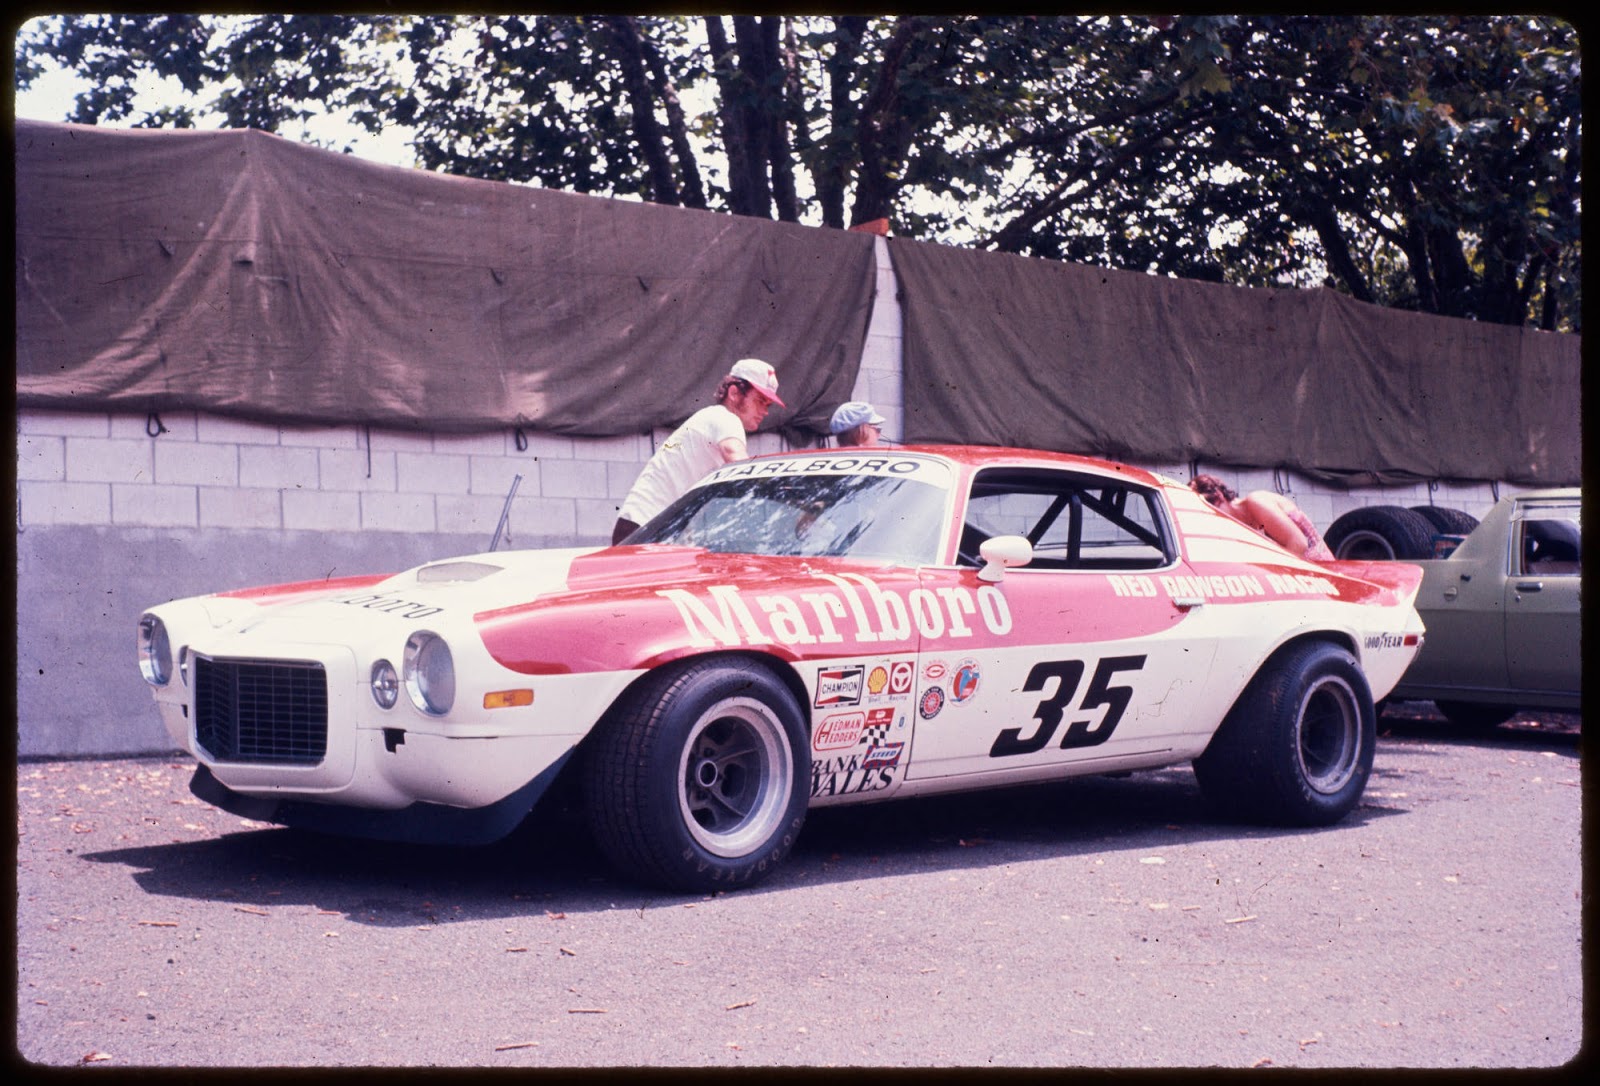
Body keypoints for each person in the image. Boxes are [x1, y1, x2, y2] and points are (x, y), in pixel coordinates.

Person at [612, 358, 784, 545]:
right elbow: (741, 467)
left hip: (645, 527)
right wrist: (784, 496)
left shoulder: (711, 417)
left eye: (768, 405)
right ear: (734, 393)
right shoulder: (726, 419)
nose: (765, 411)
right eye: (760, 401)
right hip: (646, 529)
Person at [1190, 473, 1334, 560]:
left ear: (1219, 496)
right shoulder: (1240, 526)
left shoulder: (1256, 501)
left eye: (1212, 512)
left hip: (1322, 571)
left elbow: (1298, 545)